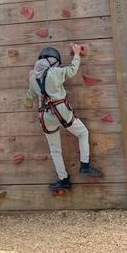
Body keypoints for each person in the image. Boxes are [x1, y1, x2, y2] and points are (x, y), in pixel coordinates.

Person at [26, 44, 103, 191]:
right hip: (61, 111)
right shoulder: (55, 72)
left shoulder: (32, 77)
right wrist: (76, 54)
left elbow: (30, 95)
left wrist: (31, 78)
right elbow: (72, 70)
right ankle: (85, 165)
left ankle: (64, 180)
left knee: (55, 150)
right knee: (82, 133)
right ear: (53, 61)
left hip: (45, 116)